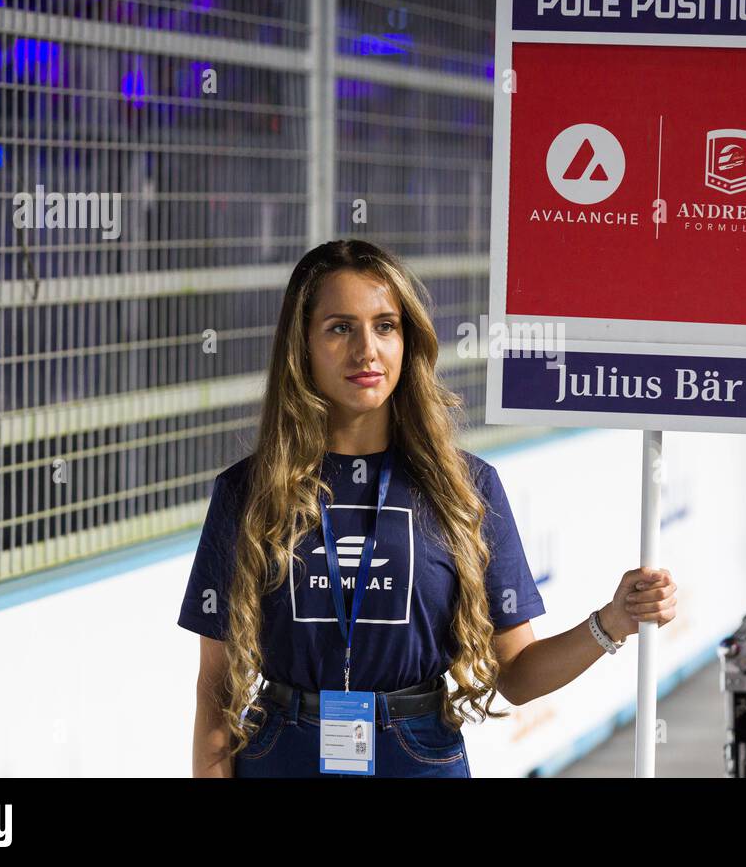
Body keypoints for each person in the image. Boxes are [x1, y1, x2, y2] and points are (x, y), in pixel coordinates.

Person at [178, 239, 678, 777]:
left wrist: (613, 621)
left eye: (385, 326)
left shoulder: (465, 488)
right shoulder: (247, 492)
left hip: (416, 751)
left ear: (407, 341)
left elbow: (517, 675)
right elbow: (217, 685)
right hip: (284, 751)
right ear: (302, 346)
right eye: (340, 327)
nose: (366, 350)